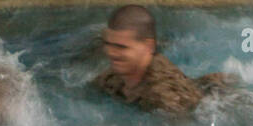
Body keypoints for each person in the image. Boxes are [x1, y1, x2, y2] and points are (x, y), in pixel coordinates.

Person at [92, 5, 233, 115]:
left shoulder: (165, 97)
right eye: (108, 44)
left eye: (121, 47)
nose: (111, 53)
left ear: (148, 46)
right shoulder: (114, 76)